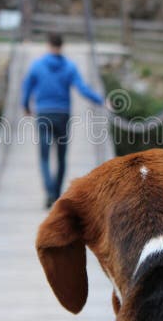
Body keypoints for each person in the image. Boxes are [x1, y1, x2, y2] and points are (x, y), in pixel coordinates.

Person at [22, 33, 104, 208]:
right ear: (62, 46)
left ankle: (50, 192)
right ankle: (57, 194)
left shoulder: (37, 65)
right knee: (61, 157)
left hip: (43, 114)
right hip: (62, 115)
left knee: (44, 157)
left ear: (48, 45)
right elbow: (82, 88)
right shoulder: (69, 67)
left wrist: (26, 107)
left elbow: (26, 88)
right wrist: (101, 100)